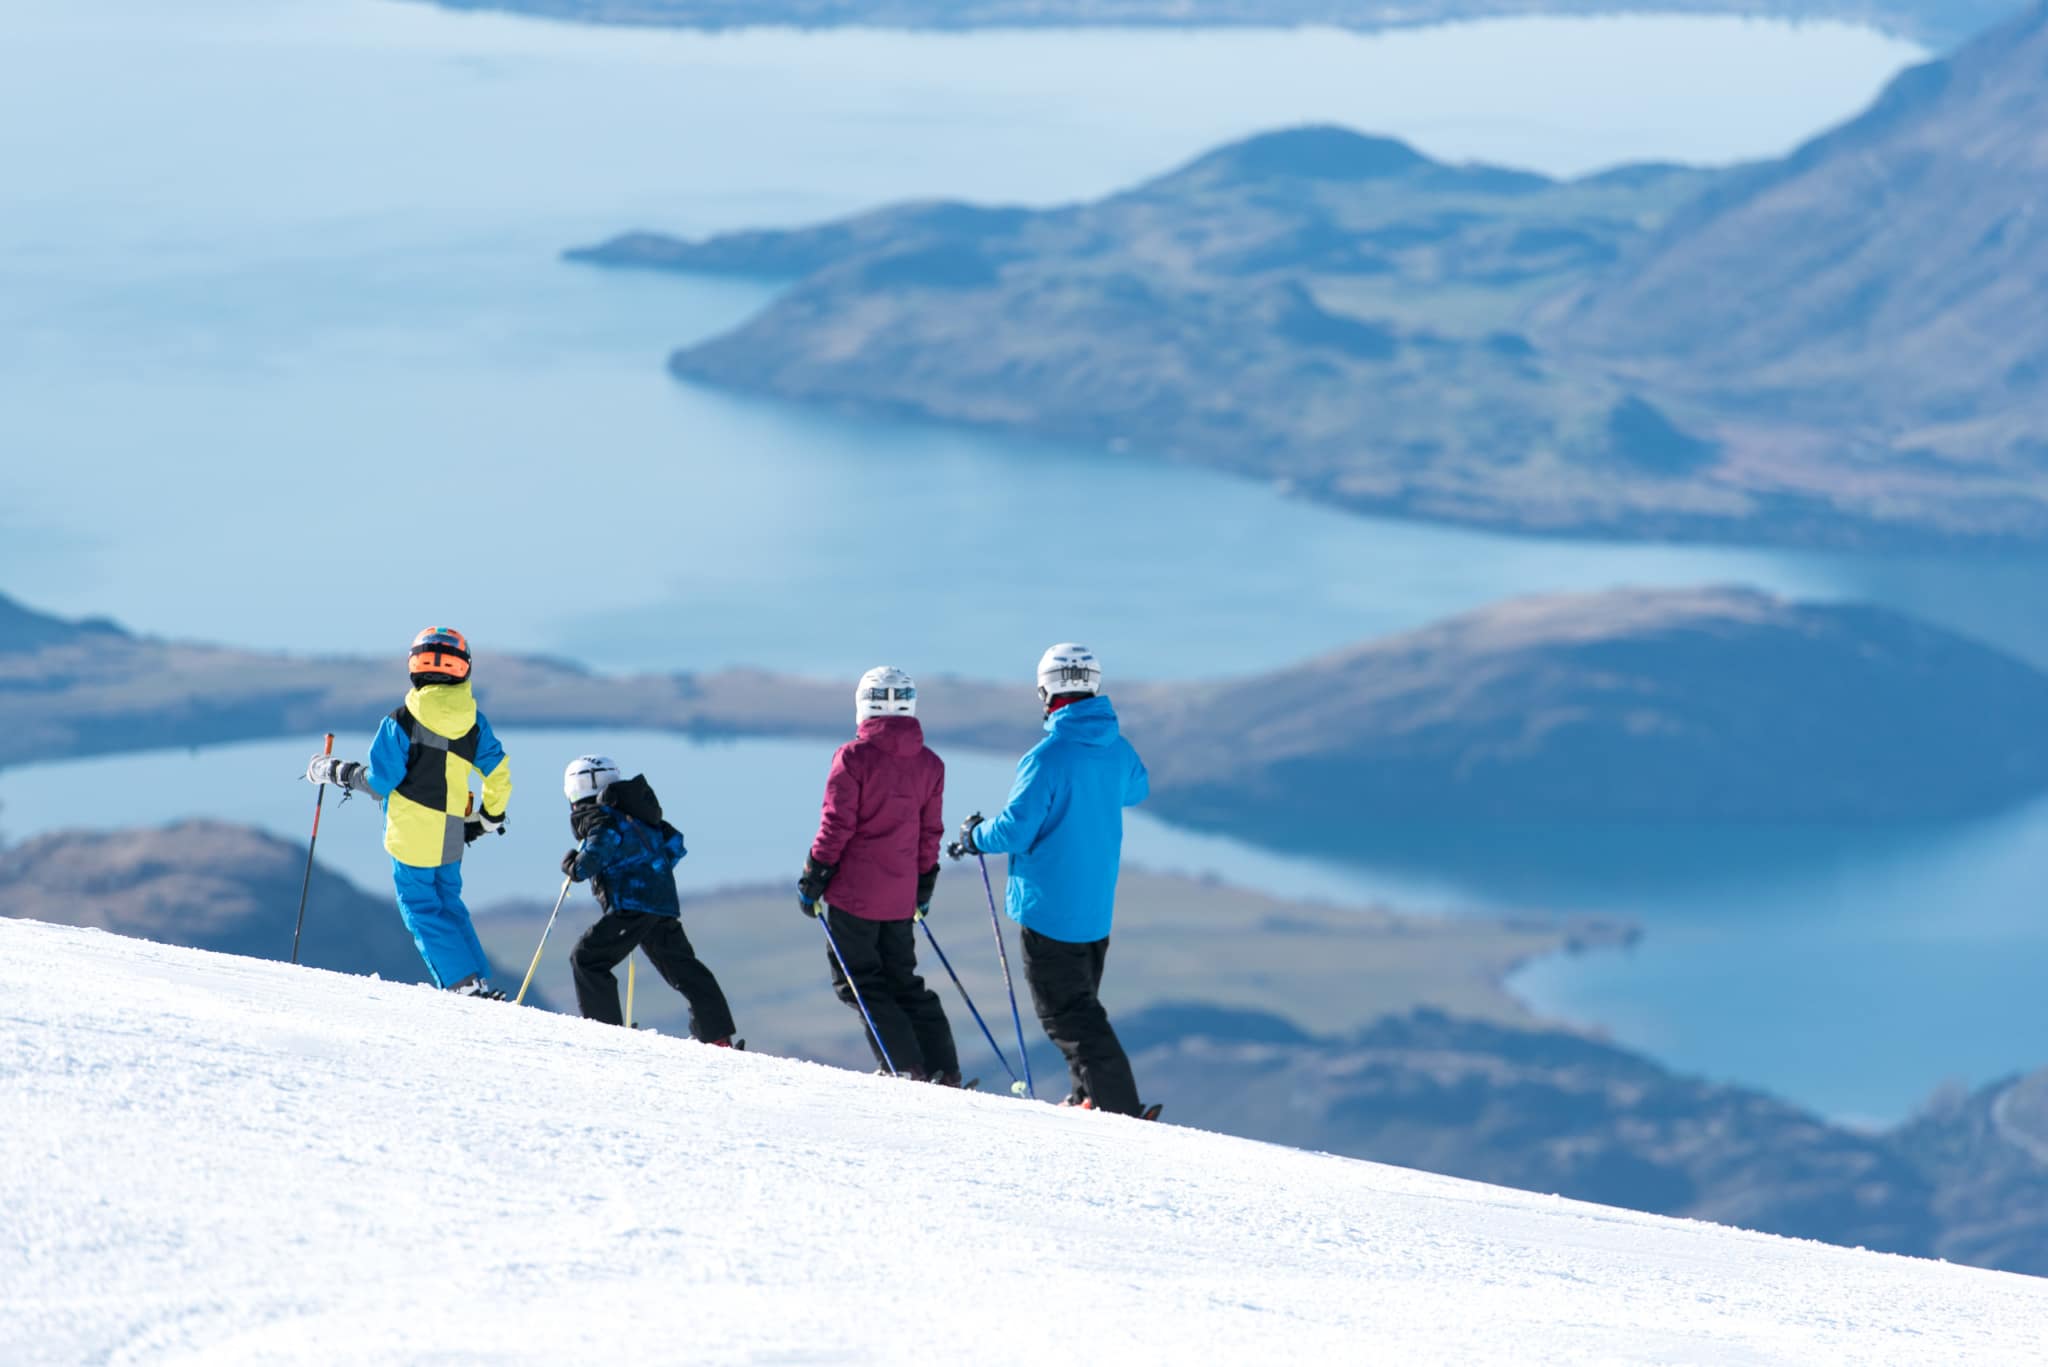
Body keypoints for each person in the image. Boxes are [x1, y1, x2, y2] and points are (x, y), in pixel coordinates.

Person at [947, 643, 1150, 1116]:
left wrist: (973, 836)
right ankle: (1086, 1096)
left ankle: (1118, 1106)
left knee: (1065, 1015)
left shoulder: (1048, 757)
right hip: (1095, 908)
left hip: (1049, 907)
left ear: (1046, 692)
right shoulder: (1116, 749)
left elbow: (1016, 831)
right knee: (1082, 1004)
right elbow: (1137, 789)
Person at [306, 626, 512, 998]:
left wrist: (336, 772)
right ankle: (476, 979)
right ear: (463, 669)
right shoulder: (474, 723)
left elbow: (380, 782)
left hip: (412, 833)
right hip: (452, 832)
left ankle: (461, 985)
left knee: (421, 908)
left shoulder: (400, 722)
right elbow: (498, 773)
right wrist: (489, 817)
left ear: (414, 668)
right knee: (449, 904)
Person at [798, 666, 962, 1085]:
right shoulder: (931, 764)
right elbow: (930, 833)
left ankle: (903, 1066)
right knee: (903, 981)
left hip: (854, 895)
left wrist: (814, 876)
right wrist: (924, 886)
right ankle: (943, 1068)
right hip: (900, 897)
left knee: (861, 983)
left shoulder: (853, 758)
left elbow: (837, 825)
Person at [560, 754, 737, 1044]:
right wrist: (651, 871)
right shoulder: (637, 810)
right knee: (684, 968)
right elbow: (674, 844)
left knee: (587, 959)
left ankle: (606, 1035)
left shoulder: (599, 816)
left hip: (632, 905)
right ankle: (717, 1036)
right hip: (661, 903)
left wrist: (574, 866)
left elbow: (599, 849)